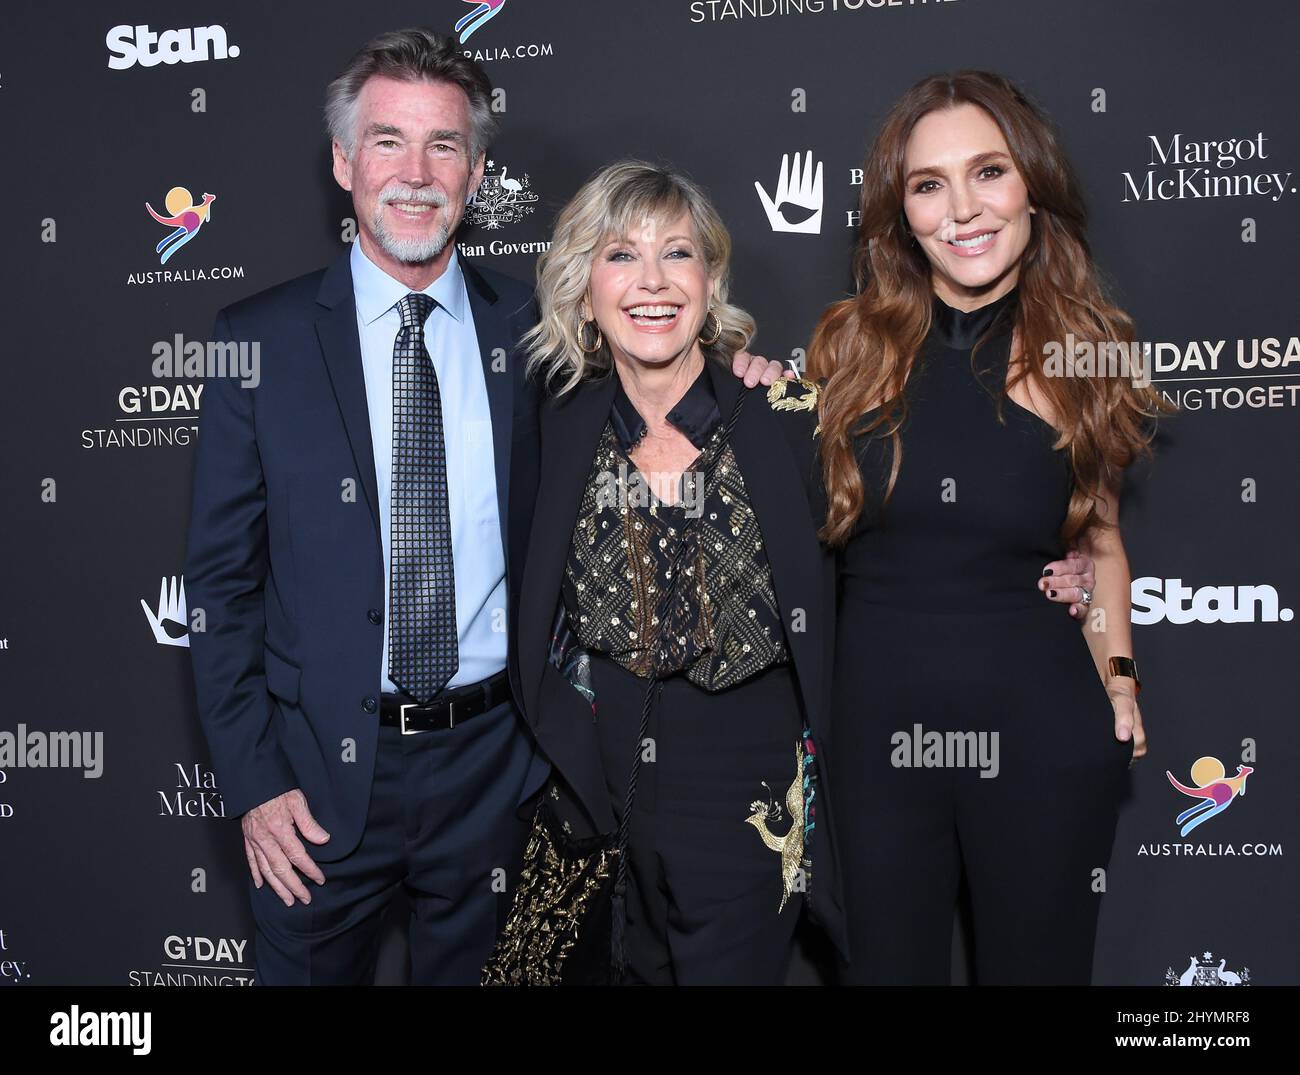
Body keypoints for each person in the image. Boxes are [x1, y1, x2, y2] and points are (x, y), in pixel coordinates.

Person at [185, 29, 788, 986]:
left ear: (475, 171)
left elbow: (665, 371)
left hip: (500, 771)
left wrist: (743, 374)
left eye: (445, 146)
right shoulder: (256, 343)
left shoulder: (544, 337)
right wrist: (256, 785)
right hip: (320, 778)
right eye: (388, 141)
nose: (416, 174)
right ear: (345, 162)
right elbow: (218, 589)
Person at [808, 70, 1163, 985]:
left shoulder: (1086, 355)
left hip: (1044, 733)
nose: (962, 209)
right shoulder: (846, 347)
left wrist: (1118, 678)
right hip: (873, 746)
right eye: (929, 184)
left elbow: (1104, 543)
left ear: (1032, 189)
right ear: (902, 212)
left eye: (988, 172)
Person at [506, 161, 847, 984]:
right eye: (620, 256)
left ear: (712, 280)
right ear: (584, 291)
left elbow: (888, 574)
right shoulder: (553, 426)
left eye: (679, 255)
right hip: (596, 769)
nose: (652, 283)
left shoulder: (790, 418)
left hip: (749, 774)